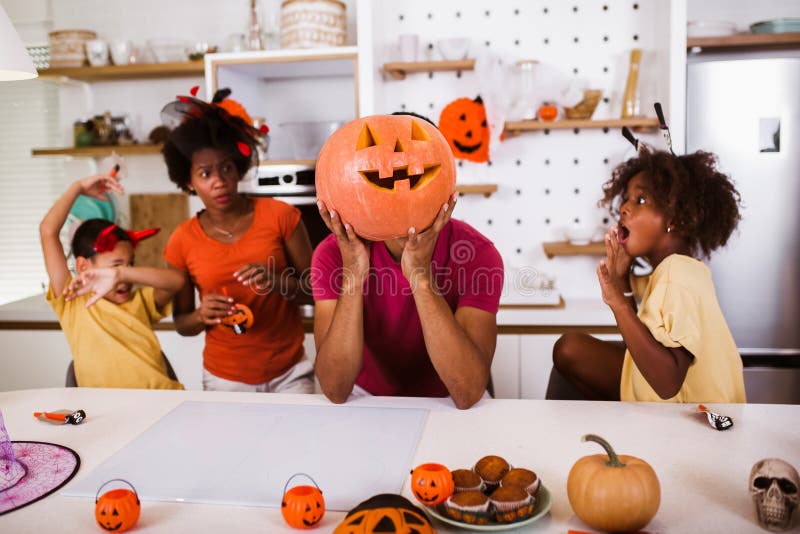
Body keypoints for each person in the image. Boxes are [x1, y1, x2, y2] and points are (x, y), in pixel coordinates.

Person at [549, 149, 746, 403]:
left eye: (640, 200)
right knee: (571, 350)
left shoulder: (677, 273)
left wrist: (618, 303)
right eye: (626, 199)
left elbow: (668, 382)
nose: (624, 209)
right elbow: (644, 345)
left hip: (695, 421)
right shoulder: (678, 269)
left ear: (673, 218)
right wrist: (622, 282)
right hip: (688, 411)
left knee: (569, 348)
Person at [162, 91, 315, 393]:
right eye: (205, 173)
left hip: (290, 373)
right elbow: (182, 323)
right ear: (189, 181)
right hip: (224, 379)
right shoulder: (182, 240)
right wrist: (200, 315)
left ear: (239, 168)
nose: (219, 180)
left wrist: (278, 282)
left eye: (227, 168)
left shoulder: (281, 216)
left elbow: (317, 290)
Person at [312, 190, 504, 409]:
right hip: (366, 397)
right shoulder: (332, 253)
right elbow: (335, 389)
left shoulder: (477, 253)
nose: (407, 215)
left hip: (447, 398)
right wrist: (353, 277)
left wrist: (420, 277)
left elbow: (467, 391)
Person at [40, 174, 185, 389]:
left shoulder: (140, 301)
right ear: (82, 267)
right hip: (106, 410)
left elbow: (178, 281)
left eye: (130, 265)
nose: (125, 274)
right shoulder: (72, 301)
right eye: (116, 264)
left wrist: (120, 273)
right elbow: (47, 231)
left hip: (163, 399)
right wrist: (78, 187)